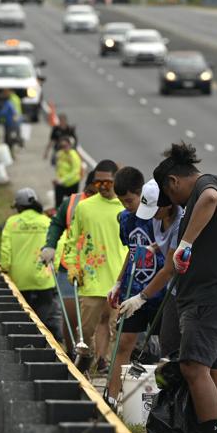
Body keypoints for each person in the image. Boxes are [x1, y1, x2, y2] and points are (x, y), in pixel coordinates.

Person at [152, 142, 217, 433]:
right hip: (213, 296)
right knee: (213, 369)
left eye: (170, 198)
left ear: (174, 182)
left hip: (211, 298)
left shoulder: (207, 186)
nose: (173, 206)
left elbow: (210, 199)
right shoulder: (195, 196)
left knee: (193, 367)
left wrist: (186, 243)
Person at [106, 169, 167, 402]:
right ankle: (111, 398)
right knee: (123, 343)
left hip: (159, 291)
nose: (127, 205)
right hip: (133, 289)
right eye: (122, 201)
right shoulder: (125, 219)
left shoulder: (159, 214)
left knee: (167, 348)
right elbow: (131, 252)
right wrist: (119, 282)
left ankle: (164, 400)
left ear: (141, 193)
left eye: (129, 200)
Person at [64, 159, 126, 373]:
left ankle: (104, 362)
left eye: (107, 182)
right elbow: (72, 240)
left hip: (119, 279)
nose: (102, 186)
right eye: (98, 182)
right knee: (87, 329)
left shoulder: (126, 207)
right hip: (90, 278)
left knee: (112, 327)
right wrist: (72, 265)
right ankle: (85, 362)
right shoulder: (84, 208)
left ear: (116, 180)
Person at [118, 179, 184, 359]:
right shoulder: (155, 218)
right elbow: (137, 249)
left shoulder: (181, 223)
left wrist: (140, 298)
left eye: (155, 211)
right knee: (124, 343)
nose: (152, 216)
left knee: (173, 348)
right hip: (153, 286)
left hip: (175, 290)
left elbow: (169, 269)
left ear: (167, 204)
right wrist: (119, 283)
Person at [40, 171, 97, 354]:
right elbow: (56, 224)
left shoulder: (115, 205)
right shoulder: (72, 203)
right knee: (70, 315)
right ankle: (72, 352)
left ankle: (95, 358)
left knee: (95, 318)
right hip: (70, 265)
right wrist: (49, 245)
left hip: (98, 268)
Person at [0, 187, 63, 342]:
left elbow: (6, 249)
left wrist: (5, 268)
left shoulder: (12, 223)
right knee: (42, 318)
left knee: (23, 316)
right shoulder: (47, 222)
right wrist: (53, 266)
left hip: (19, 279)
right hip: (44, 279)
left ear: (19, 207)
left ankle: (24, 341)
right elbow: (58, 246)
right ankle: (43, 344)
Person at [53, 136, 82, 208]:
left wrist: (63, 179)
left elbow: (76, 171)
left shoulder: (74, 155)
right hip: (61, 183)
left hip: (72, 183)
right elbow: (58, 168)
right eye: (62, 146)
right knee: (58, 204)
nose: (64, 148)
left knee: (72, 205)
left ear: (69, 145)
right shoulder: (60, 154)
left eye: (65, 146)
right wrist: (57, 178)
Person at [0, 89, 20, 155]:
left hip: (10, 124)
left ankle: (10, 153)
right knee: (10, 138)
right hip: (12, 123)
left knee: (8, 139)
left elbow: (2, 113)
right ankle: (11, 152)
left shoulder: (7, 104)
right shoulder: (11, 102)